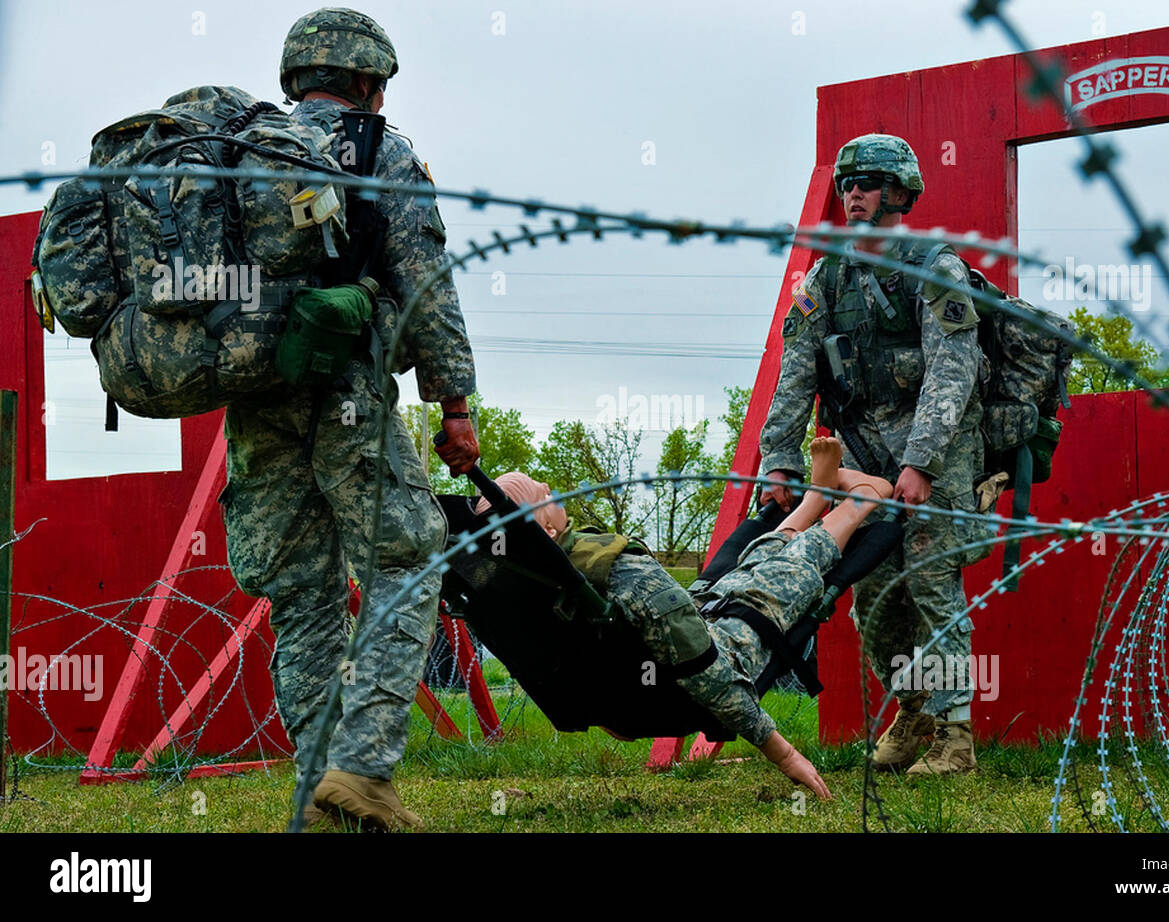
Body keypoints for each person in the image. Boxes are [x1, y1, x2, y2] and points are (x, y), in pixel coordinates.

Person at [220, 7, 479, 831]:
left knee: (302, 596)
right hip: (346, 396)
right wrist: (455, 403)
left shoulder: (240, 153)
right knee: (407, 557)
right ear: (368, 78)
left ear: (300, 77)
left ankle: (317, 777)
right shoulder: (379, 151)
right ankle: (361, 771)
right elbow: (425, 283)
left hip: (256, 400)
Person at [479, 437, 893, 799]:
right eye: (545, 495)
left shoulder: (518, 588)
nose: (554, 491)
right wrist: (782, 753)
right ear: (548, 534)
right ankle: (859, 500)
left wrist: (609, 710)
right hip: (724, 654)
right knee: (789, 571)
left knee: (745, 568)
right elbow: (706, 669)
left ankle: (815, 499)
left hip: (663, 660)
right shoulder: (614, 570)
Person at [757, 134, 984, 775]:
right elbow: (795, 369)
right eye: (847, 184)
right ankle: (910, 710)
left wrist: (922, 462)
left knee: (933, 589)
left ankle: (955, 737)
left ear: (900, 192)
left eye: (867, 183)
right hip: (864, 458)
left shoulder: (936, 267)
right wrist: (780, 462)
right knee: (875, 599)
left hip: (938, 452)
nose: (853, 193)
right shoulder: (828, 276)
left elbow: (952, 367)